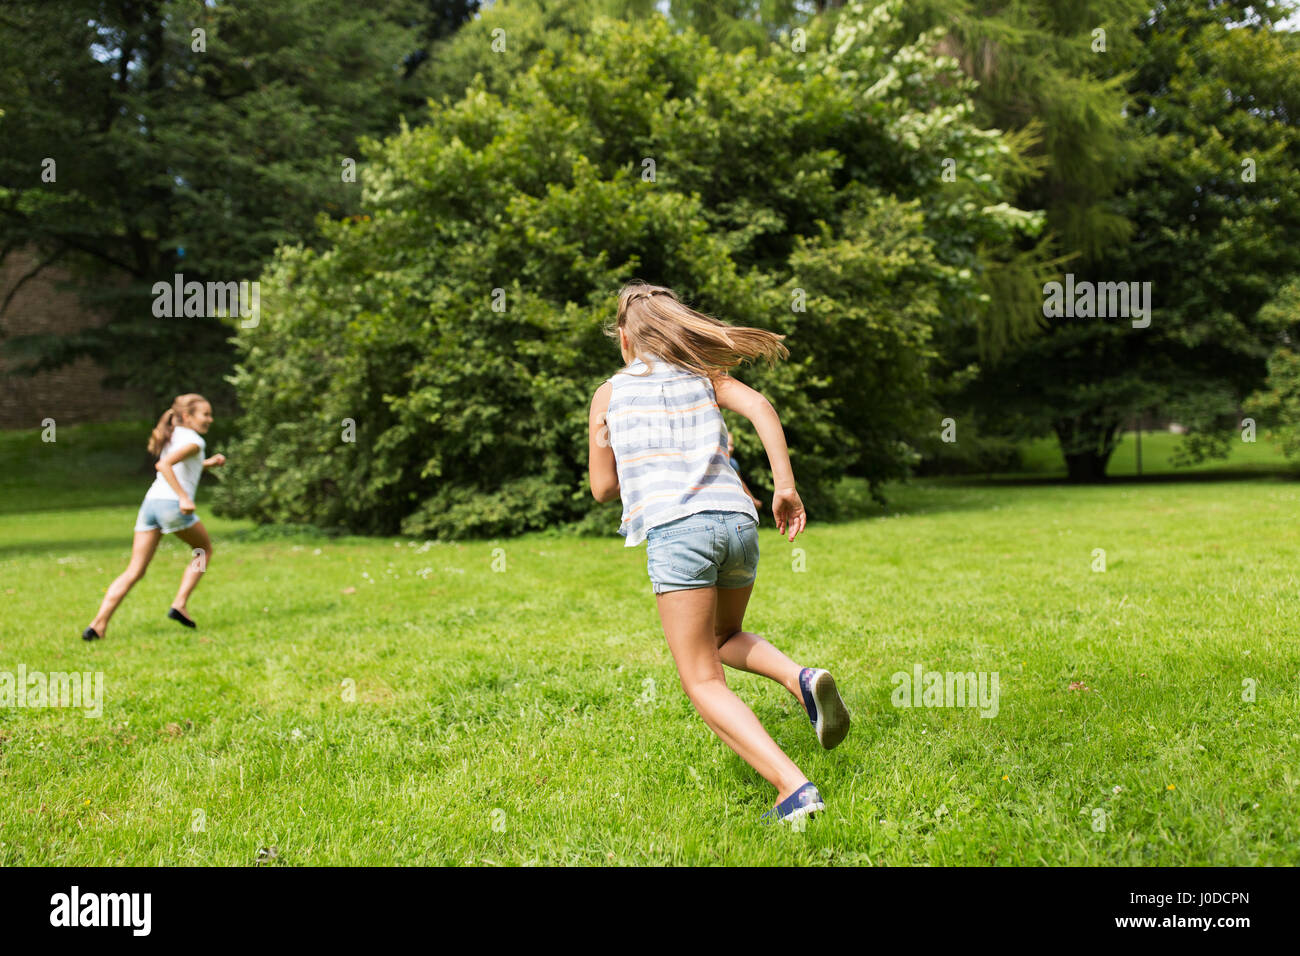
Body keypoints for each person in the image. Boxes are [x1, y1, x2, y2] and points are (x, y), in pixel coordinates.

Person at [587, 283, 850, 825]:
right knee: (723, 637)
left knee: (702, 678)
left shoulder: (609, 395)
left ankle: (793, 788)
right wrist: (784, 487)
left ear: (624, 337)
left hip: (676, 531)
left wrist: (623, 449)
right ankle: (799, 678)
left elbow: (602, 489)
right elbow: (760, 407)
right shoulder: (703, 376)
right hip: (736, 522)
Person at [83, 393, 225, 640]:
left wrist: (208, 464)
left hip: (151, 504)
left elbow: (183, 464)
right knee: (203, 550)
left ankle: (98, 625)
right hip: (171, 505)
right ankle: (180, 603)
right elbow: (164, 466)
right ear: (187, 416)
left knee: (134, 570)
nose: (210, 420)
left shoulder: (175, 436)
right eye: (205, 414)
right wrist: (184, 496)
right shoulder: (194, 441)